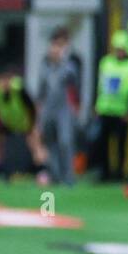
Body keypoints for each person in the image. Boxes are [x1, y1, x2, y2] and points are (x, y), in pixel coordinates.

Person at [93, 30, 128, 182]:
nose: (119, 52)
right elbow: (100, 85)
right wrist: (96, 104)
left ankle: (121, 173)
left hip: (122, 110)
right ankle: (105, 172)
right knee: (103, 143)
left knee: (121, 144)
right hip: (105, 108)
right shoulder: (106, 62)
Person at [34, 27, 80, 185]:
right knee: (50, 143)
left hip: (64, 109)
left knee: (65, 141)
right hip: (48, 109)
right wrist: (38, 111)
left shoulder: (70, 64)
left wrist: (62, 60)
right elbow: (41, 90)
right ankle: (56, 175)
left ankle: (68, 177)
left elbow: (74, 82)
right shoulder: (45, 65)